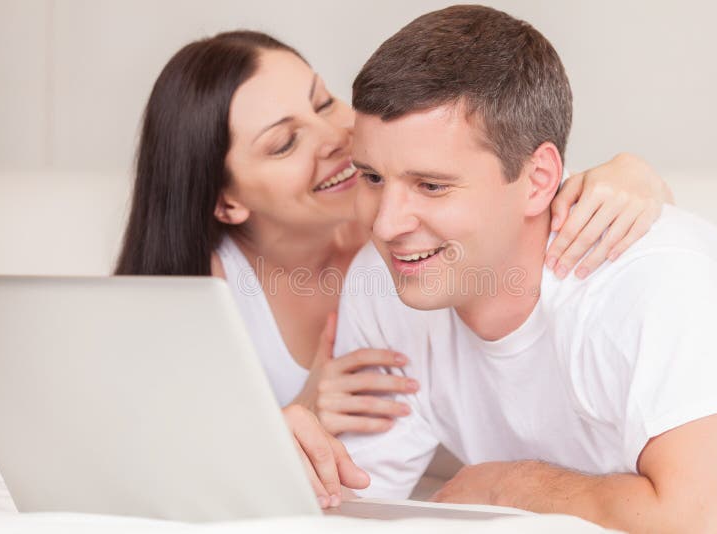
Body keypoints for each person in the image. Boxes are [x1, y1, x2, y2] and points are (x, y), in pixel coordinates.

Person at [108, 31, 672, 505]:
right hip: (400, 489)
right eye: (284, 143)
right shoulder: (204, 293)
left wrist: (636, 175)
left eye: (323, 102)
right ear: (227, 202)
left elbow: (518, 176)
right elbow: (148, 458)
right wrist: (297, 417)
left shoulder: (426, 223)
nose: (335, 138)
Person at [334, 5, 717, 532]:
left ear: (537, 180)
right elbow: (355, 511)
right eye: (370, 176)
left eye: (431, 185)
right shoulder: (384, 279)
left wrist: (507, 486)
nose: (386, 225)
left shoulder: (651, 279)